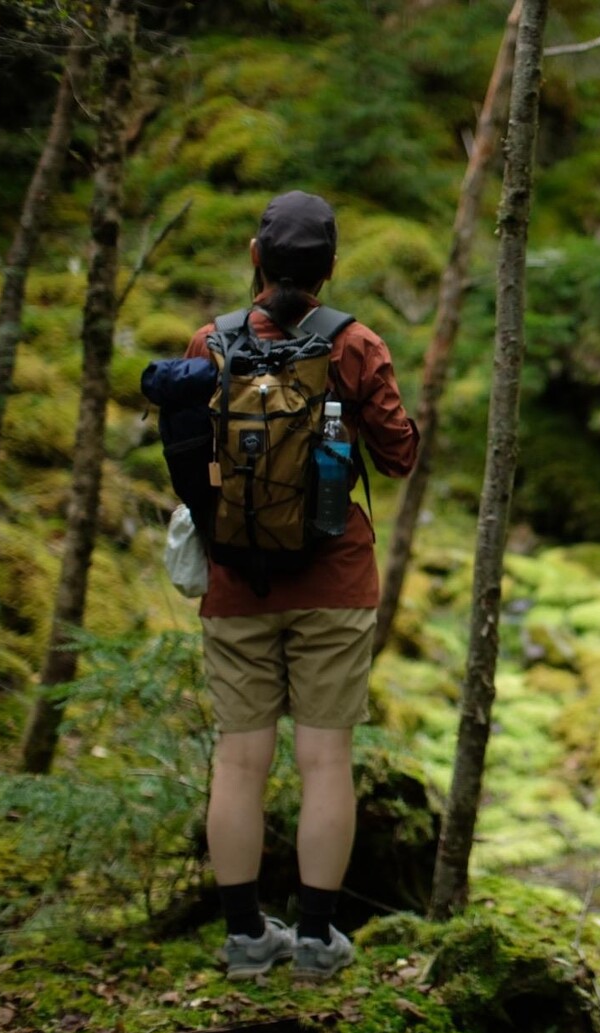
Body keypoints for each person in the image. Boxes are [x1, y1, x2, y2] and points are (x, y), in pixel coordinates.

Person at [185, 191, 420, 981]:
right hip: (334, 577)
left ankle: (247, 934)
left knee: (239, 760)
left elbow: (187, 467)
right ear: (329, 267)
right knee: (325, 759)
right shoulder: (354, 343)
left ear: (256, 256)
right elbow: (398, 455)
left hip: (235, 578)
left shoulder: (208, 342)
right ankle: (317, 938)